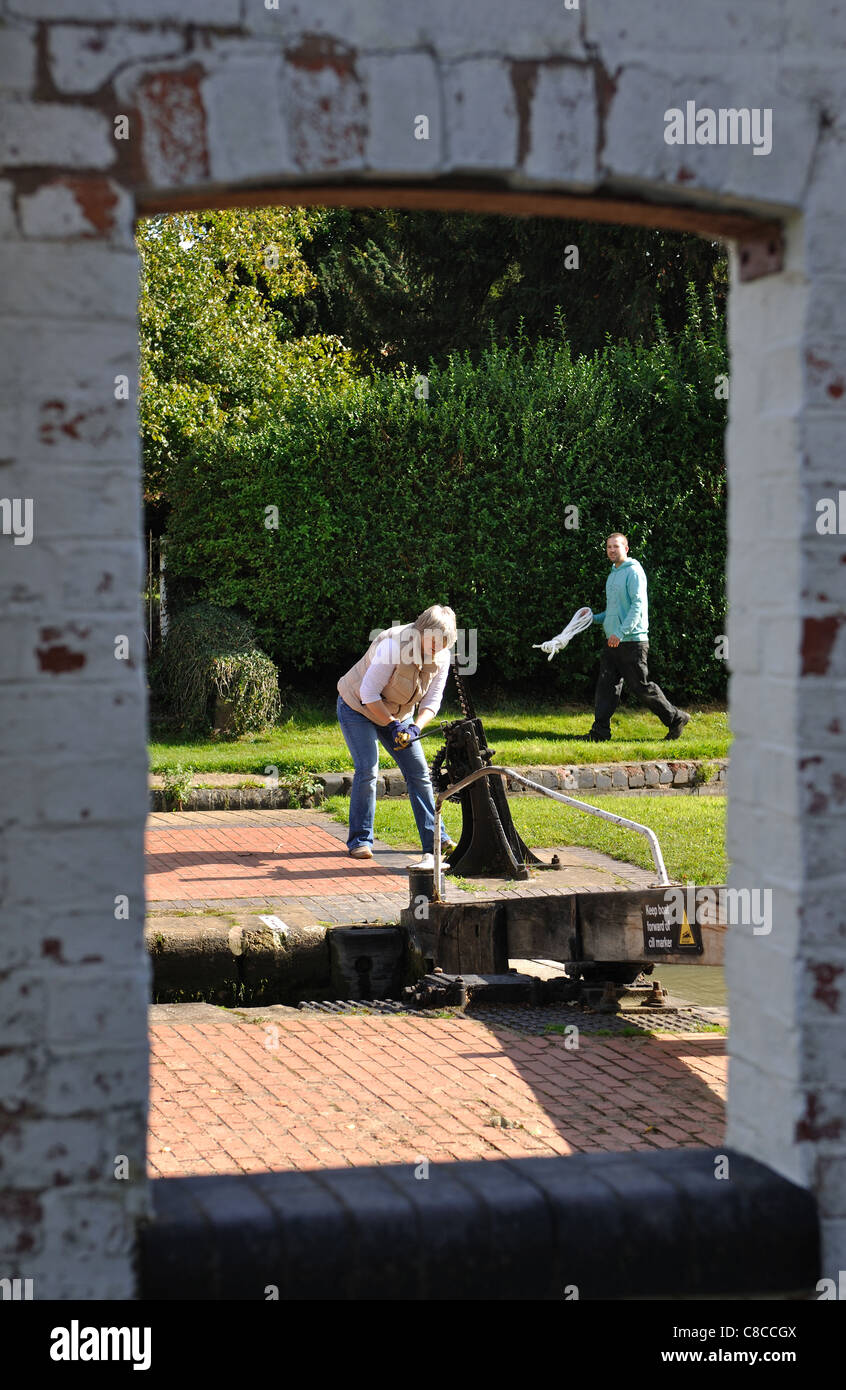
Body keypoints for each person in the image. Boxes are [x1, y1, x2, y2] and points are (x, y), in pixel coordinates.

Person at [337, 605, 459, 869]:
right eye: (435, 641)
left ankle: (436, 839)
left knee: (419, 772)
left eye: (445, 643)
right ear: (420, 632)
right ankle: (360, 841)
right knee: (368, 769)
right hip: (357, 707)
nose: (439, 647)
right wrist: (392, 725)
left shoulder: (441, 657)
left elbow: (433, 700)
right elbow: (368, 694)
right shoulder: (393, 646)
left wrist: (415, 727)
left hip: (398, 714)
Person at [587, 533, 690, 742]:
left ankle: (676, 718)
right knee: (606, 687)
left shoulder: (633, 572)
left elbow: (637, 607)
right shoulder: (613, 574)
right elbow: (614, 611)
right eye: (608, 547)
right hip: (613, 640)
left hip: (632, 641)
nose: (612, 550)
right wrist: (592, 618)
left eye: (616, 546)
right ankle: (599, 733)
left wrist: (620, 632)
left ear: (626, 548)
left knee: (640, 687)